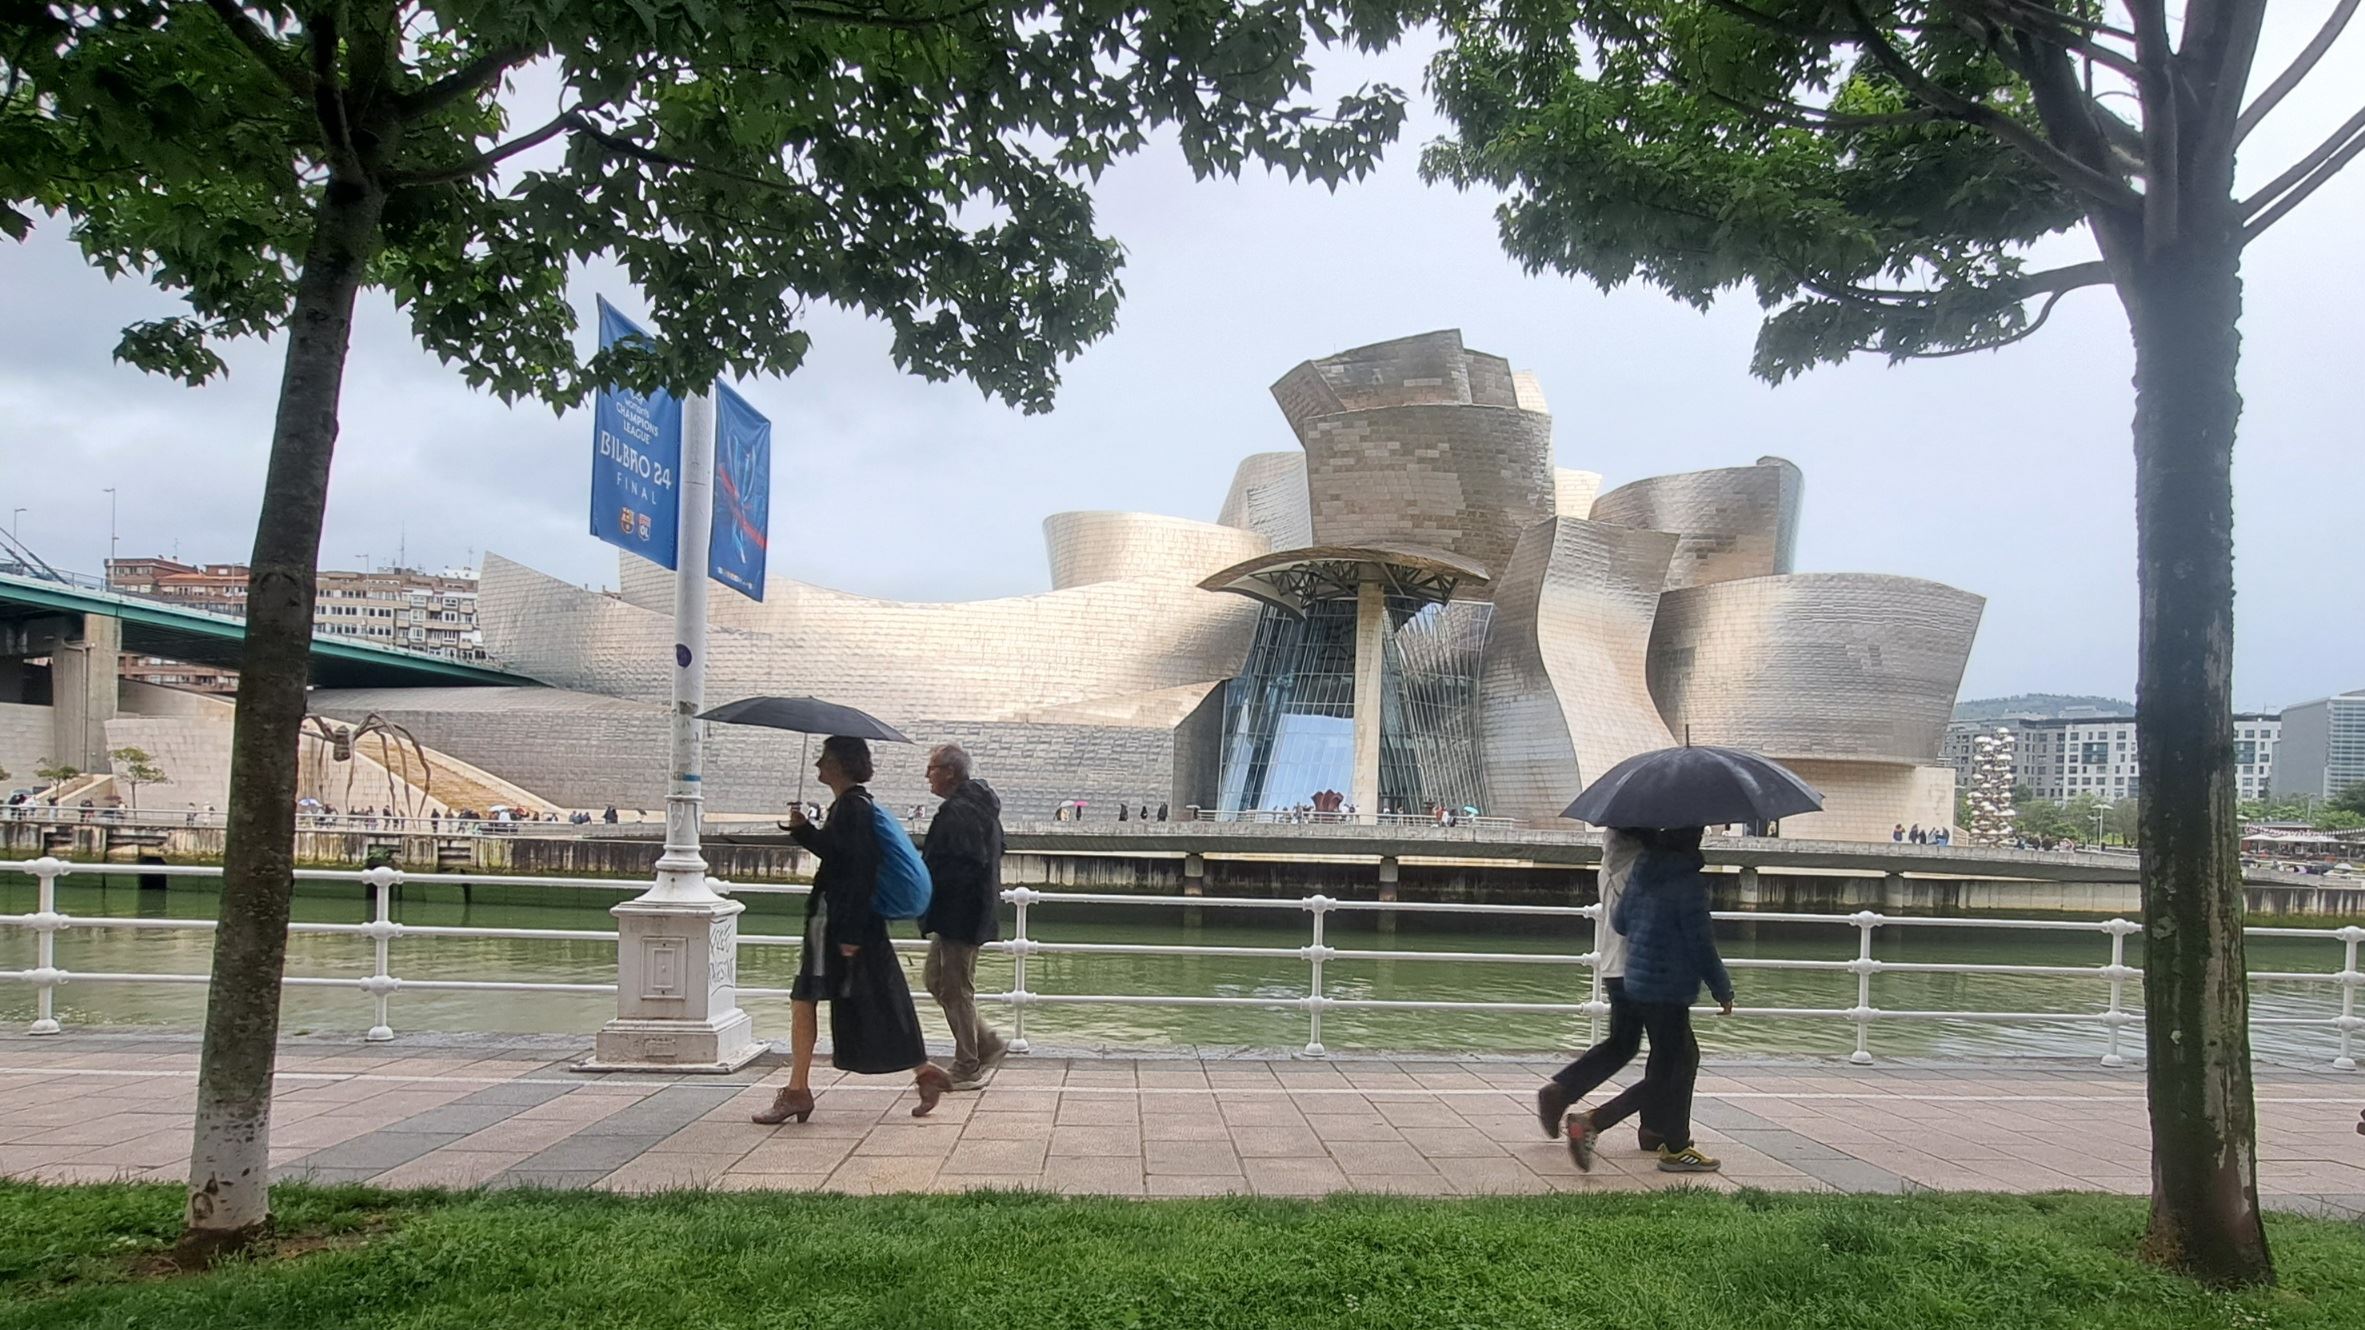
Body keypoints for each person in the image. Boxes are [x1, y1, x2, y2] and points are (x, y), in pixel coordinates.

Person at [754, 735, 951, 1125]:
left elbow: (855, 872)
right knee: (882, 998)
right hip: (855, 924)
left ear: (842, 764)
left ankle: (797, 1092)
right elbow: (842, 854)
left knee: (805, 997)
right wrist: (803, 830)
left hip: (839, 925)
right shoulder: (852, 806)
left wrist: (849, 937)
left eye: (824, 759)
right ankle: (924, 1072)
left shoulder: (852, 809)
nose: (817, 766)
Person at [1563, 825, 1731, 1174]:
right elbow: (1702, 946)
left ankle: (1662, 1134)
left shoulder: (1643, 871)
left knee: (1673, 1062)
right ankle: (1596, 1123)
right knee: (1675, 1069)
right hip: (1669, 986)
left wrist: (1652, 924)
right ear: (1695, 842)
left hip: (1637, 982)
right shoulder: (1688, 883)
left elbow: (1621, 922)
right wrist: (1722, 988)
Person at [1535, 828, 1663, 1152]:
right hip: (1646, 967)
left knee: (1623, 1043)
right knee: (1676, 1056)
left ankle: (1563, 1089)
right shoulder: (1646, 864)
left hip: (1614, 964)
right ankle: (1647, 1126)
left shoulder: (1612, 858)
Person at [919, 742, 1010, 1090]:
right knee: (938, 982)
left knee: (956, 988)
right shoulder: (977, 808)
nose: (927, 775)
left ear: (950, 772)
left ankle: (968, 1066)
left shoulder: (959, 813)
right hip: (960, 915)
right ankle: (985, 1042)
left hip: (960, 916)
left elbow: (955, 868)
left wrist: (921, 886)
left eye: (932, 768)